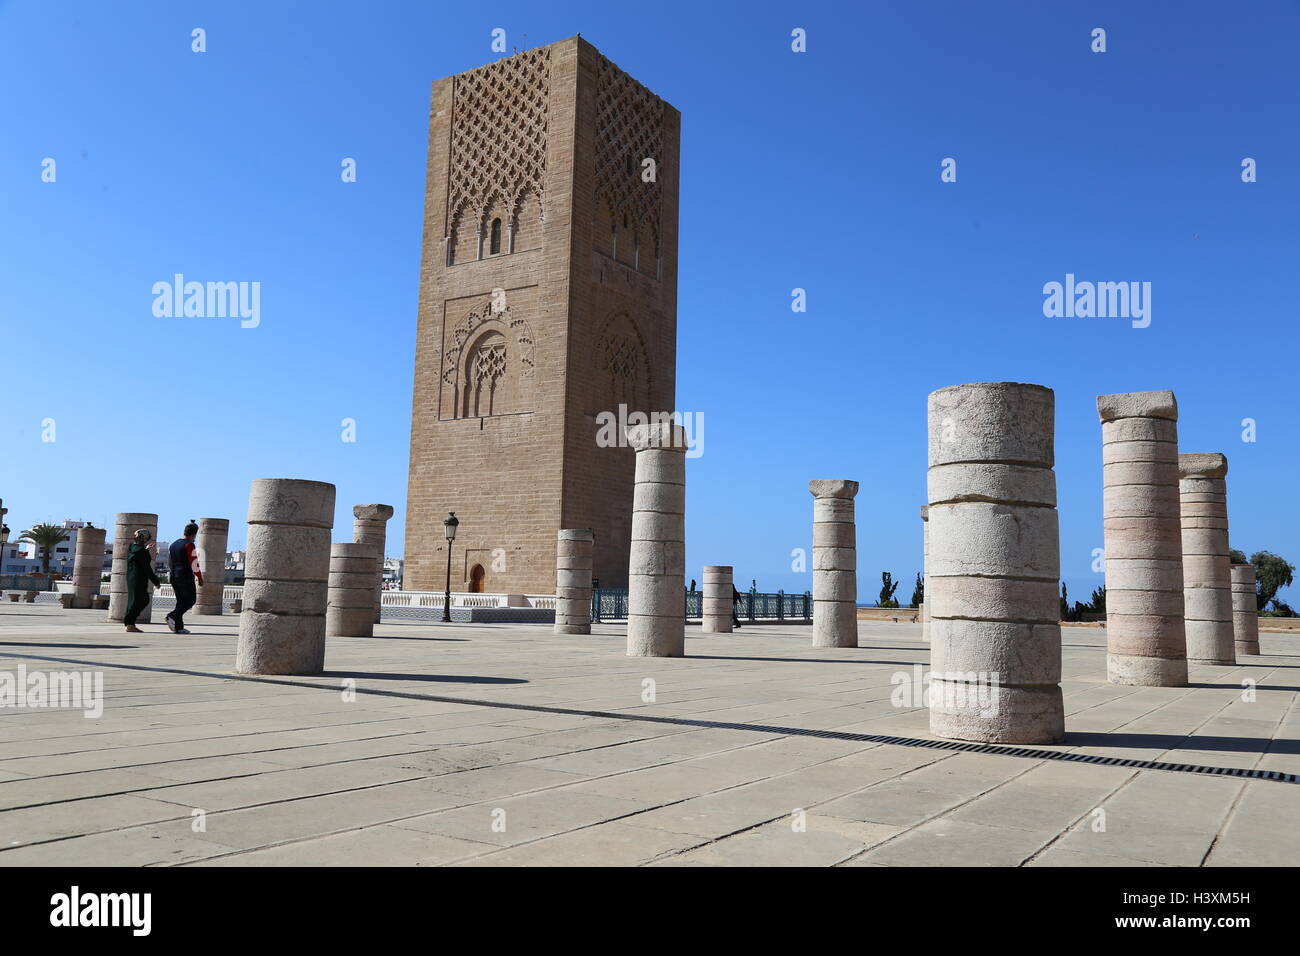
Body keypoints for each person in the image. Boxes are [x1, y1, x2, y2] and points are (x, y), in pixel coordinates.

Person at [165, 521, 204, 634]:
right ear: (193, 534)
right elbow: (194, 563)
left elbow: (169, 563)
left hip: (174, 575)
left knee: (181, 601)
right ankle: (171, 616)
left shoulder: (173, 544)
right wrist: (200, 577)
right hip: (185, 576)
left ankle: (178, 627)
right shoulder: (189, 544)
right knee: (191, 600)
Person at [123, 529, 160, 633]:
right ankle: (130, 624)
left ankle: (130, 623)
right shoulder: (142, 551)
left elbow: (138, 555)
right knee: (141, 600)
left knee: (134, 600)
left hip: (131, 577)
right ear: (144, 538)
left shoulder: (132, 547)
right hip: (139, 578)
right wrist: (156, 581)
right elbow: (146, 568)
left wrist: (146, 549)